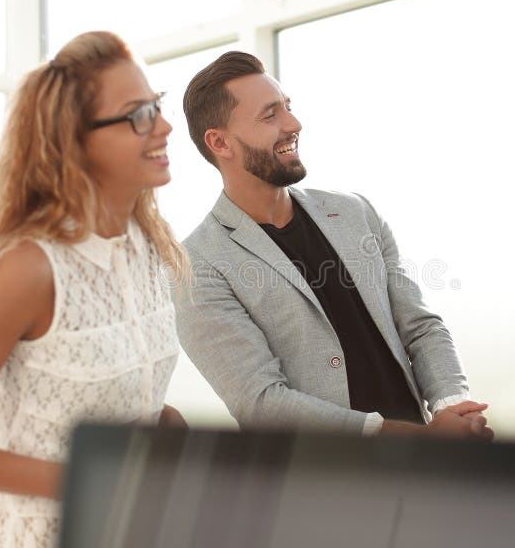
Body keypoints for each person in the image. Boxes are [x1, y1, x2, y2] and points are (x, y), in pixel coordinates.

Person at [0, 31, 187, 546]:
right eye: (139, 114)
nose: (166, 126)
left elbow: (127, 399)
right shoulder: (27, 269)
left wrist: (170, 434)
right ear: (75, 140)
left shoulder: (147, 247)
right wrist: (94, 481)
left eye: (157, 105)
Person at [176, 51, 493, 439]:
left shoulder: (355, 212)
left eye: (288, 107)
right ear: (220, 142)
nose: (293, 123)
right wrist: (416, 438)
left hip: (425, 471)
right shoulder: (197, 264)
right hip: (321, 485)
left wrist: (451, 408)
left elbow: (420, 326)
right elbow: (260, 403)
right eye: (270, 115)